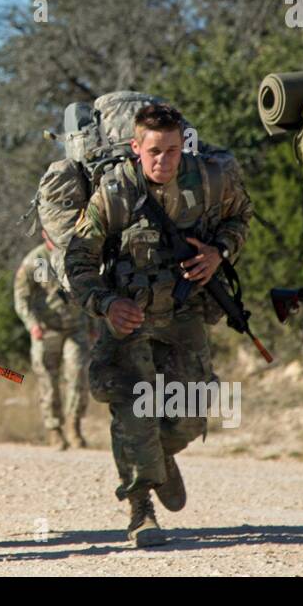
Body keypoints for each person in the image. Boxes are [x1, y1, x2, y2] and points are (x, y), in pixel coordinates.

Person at [63, 103, 251, 547]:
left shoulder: (209, 179)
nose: (164, 161)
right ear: (135, 148)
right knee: (135, 409)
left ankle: (159, 460)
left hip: (185, 313)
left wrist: (218, 252)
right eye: (154, 151)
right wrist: (107, 304)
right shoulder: (114, 192)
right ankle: (140, 506)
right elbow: (78, 259)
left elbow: (240, 217)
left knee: (189, 416)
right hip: (130, 317)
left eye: (172, 150)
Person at [14, 229, 91, 450]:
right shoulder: (34, 260)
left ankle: (74, 426)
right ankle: (54, 429)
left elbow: (92, 292)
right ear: (43, 234)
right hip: (46, 330)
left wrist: (94, 325)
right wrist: (32, 324)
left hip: (76, 328)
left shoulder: (77, 257)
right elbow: (21, 297)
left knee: (78, 372)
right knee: (48, 379)